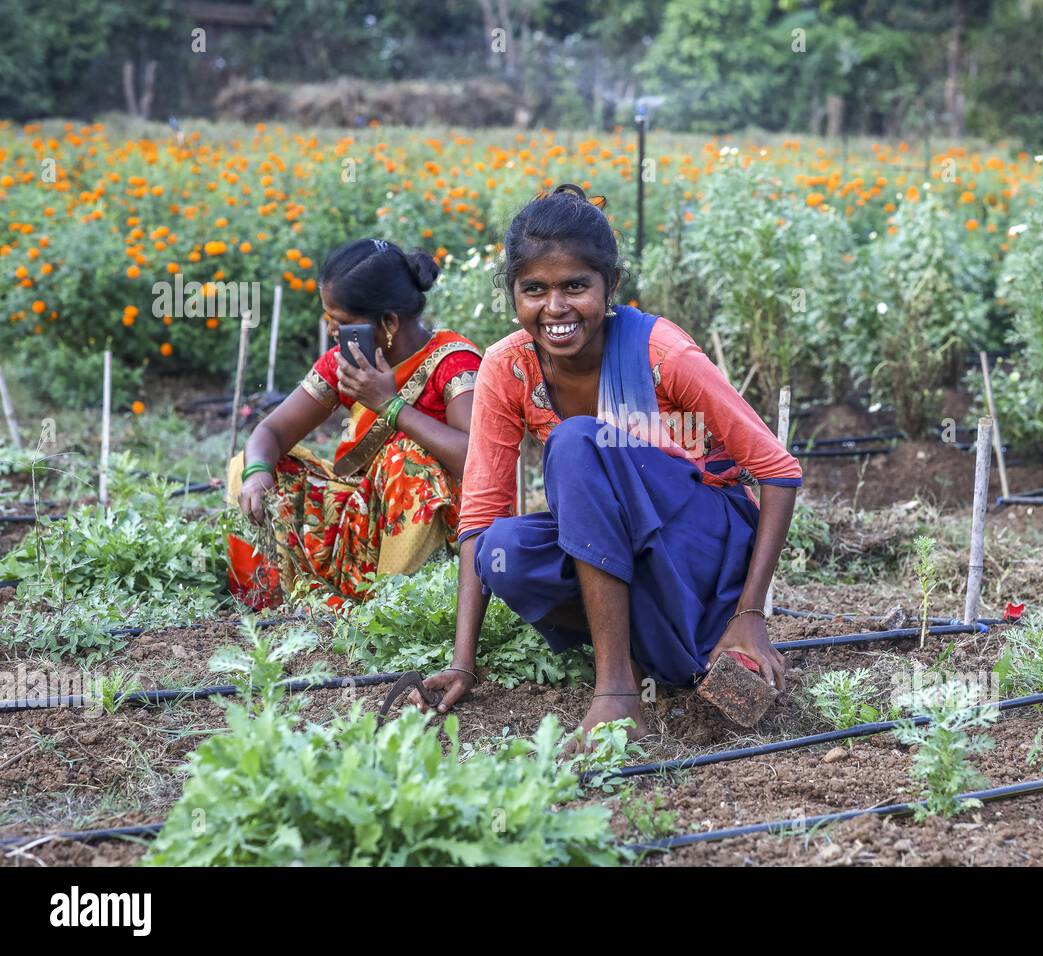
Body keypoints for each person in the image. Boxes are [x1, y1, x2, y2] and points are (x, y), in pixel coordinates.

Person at [407, 184, 802, 738]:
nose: (556, 308)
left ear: (610, 285)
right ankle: (643, 651)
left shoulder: (661, 352)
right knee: (503, 554)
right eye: (535, 290)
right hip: (621, 553)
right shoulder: (508, 366)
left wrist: (751, 616)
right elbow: (479, 517)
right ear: (513, 295)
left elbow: (778, 471)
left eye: (575, 286)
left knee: (573, 442)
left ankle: (618, 689)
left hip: (700, 547)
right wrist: (463, 661)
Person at [228, 238, 481, 606]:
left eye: (342, 322)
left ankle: (392, 607)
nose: (333, 331)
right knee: (249, 465)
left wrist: (388, 405)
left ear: (389, 322)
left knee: (407, 461)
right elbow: (271, 431)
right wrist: (257, 475)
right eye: (330, 320)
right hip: (359, 519)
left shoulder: (454, 362)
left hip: (430, 535)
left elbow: (475, 459)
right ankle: (275, 598)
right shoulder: (347, 363)